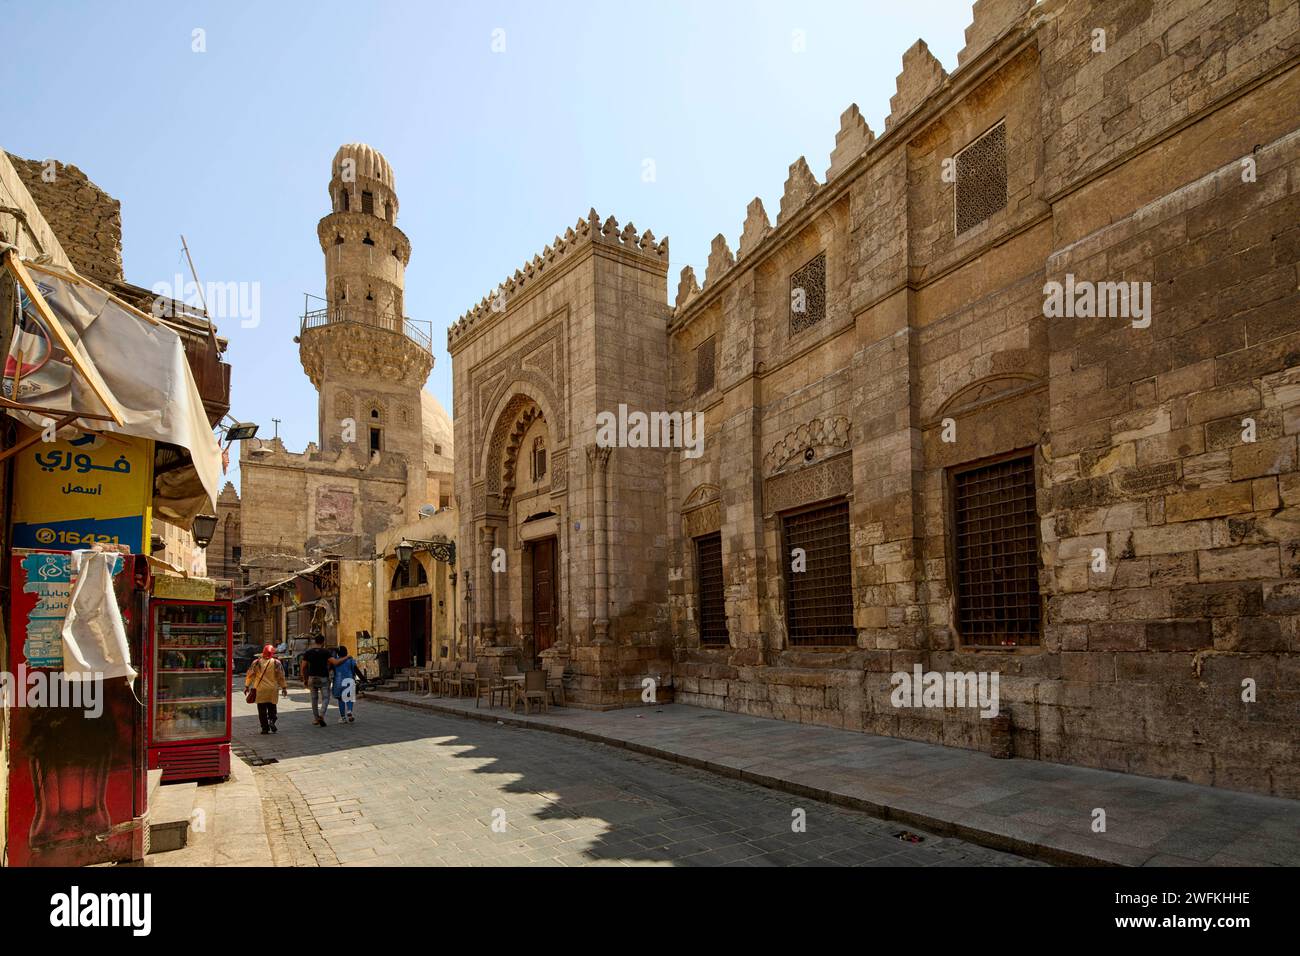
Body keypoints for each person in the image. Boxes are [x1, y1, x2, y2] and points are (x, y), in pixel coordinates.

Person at [245, 644, 288, 734]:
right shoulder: (277, 663)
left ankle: (265, 728)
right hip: (272, 690)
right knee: (272, 707)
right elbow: (281, 676)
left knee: (262, 710)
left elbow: (250, 675)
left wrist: (247, 686)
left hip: (260, 690)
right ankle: (272, 721)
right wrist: (284, 687)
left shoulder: (256, 662)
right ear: (272, 653)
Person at [300, 634, 334, 727]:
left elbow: (303, 667)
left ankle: (316, 719)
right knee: (326, 698)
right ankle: (321, 715)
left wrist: (305, 679)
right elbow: (334, 662)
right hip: (323, 677)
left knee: (314, 699)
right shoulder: (326, 652)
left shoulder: (308, 652)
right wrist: (346, 658)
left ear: (315, 641)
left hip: (312, 677)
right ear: (323, 642)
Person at [328, 645, 361, 724]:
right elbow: (356, 670)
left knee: (341, 699)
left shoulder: (335, 661)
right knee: (349, 698)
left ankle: (343, 717)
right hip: (349, 680)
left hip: (339, 682)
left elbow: (330, 670)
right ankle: (349, 711)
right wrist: (364, 680)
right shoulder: (350, 660)